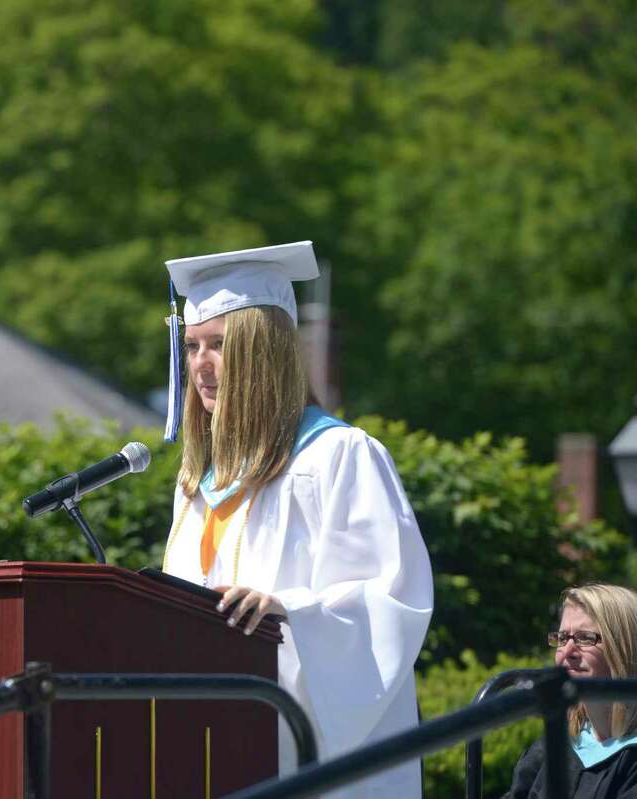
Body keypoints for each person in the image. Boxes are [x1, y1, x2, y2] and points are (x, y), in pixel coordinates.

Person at [159, 241, 434, 798]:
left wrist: (290, 611)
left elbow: (392, 600)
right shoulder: (196, 483)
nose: (200, 366)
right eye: (192, 346)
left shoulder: (339, 456)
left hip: (310, 752)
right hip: (217, 740)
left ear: (262, 354)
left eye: (218, 345)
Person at [503, 583, 637, 798]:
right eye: (562, 638)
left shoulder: (631, 761)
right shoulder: (554, 747)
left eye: (585, 638)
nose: (567, 652)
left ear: (624, 648)